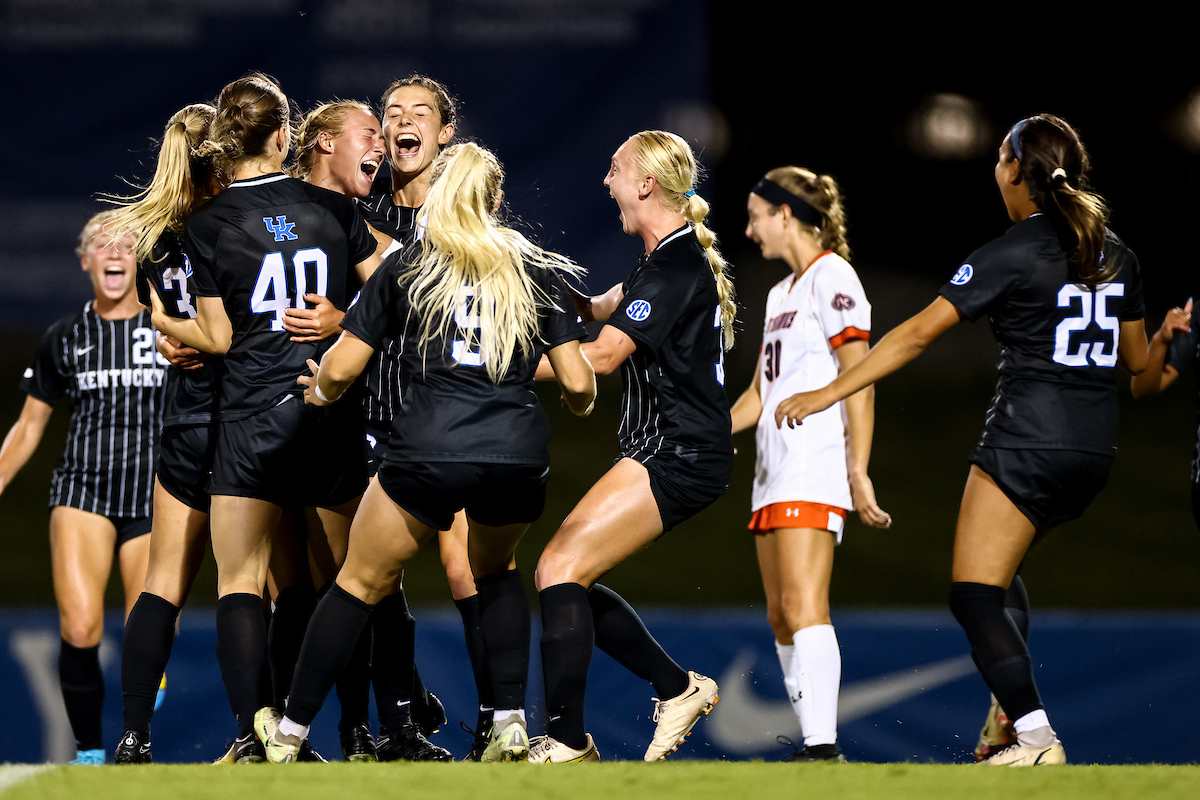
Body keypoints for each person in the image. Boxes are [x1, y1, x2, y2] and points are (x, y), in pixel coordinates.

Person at [773, 114, 1150, 766]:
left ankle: (1032, 735)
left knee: (973, 595)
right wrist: (1173, 341)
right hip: (1094, 454)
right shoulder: (1118, 253)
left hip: (1026, 442)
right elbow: (1140, 367)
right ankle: (1008, 720)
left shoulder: (1010, 251)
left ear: (1014, 171)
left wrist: (827, 393)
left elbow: (916, 336)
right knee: (1001, 581)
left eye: (999, 162)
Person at [252, 141, 595, 764]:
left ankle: (291, 731)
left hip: (430, 448)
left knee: (357, 581)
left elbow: (343, 366)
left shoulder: (409, 267)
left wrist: (323, 390)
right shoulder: (535, 270)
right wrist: (577, 406)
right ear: (495, 199)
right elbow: (577, 384)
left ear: (438, 194)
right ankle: (510, 722)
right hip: (515, 455)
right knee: (495, 572)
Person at [147, 73, 381, 763]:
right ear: (284, 135)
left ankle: (256, 734)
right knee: (356, 579)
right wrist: (343, 325)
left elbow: (217, 339)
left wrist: (165, 319)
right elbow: (395, 292)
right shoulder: (329, 208)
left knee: (240, 583)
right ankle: (356, 732)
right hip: (326, 407)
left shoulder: (208, 224)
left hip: (250, 418)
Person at [530, 130, 735, 763]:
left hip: (678, 452)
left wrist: (491, 360)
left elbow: (601, 356)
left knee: (559, 569)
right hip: (668, 449)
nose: (606, 181)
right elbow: (592, 311)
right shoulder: (660, 262)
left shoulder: (674, 265)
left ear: (646, 183)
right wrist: (517, 279)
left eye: (615, 170)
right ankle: (677, 688)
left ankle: (567, 743)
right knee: (564, 574)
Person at [282, 98, 452, 762]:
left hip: (357, 413)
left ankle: (383, 725)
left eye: (389, 132)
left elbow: (402, 291)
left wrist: (346, 323)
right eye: (370, 131)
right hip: (294, 415)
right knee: (314, 585)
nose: (381, 143)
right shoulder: (291, 208)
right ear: (324, 142)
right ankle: (343, 723)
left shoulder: (362, 219)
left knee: (364, 578)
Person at [730, 167, 891, 762]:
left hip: (813, 463)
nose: (749, 230)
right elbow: (759, 395)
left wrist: (857, 467)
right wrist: (703, 433)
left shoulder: (833, 277)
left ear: (786, 215)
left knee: (803, 605)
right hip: (772, 471)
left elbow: (862, 377)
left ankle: (823, 748)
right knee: (779, 614)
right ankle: (812, 741)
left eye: (755, 216)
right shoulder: (780, 292)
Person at [356, 75, 496, 761]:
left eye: (420, 113)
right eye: (391, 113)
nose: (402, 121)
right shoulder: (360, 210)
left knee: (464, 564)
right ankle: (402, 723)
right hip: (373, 411)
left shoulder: (464, 217)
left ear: (447, 133)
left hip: (449, 413)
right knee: (376, 575)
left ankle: (501, 723)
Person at [0, 210, 165, 765]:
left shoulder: (170, 329)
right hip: (83, 490)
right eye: (102, 244)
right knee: (79, 624)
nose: (114, 252)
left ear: (138, 260)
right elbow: (28, 427)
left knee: (147, 630)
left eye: (125, 244)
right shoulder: (64, 337)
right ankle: (91, 754)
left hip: (153, 494)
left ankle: (138, 729)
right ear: (85, 262)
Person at [104, 102, 224, 765]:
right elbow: (238, 329)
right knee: (247, 584)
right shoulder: (233, 227)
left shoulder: (152, 234)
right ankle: (256, 734)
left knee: (162, 584)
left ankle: (132, 735)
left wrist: (164, 331)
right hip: (240, 415)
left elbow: (161, 315)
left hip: (181, 414)